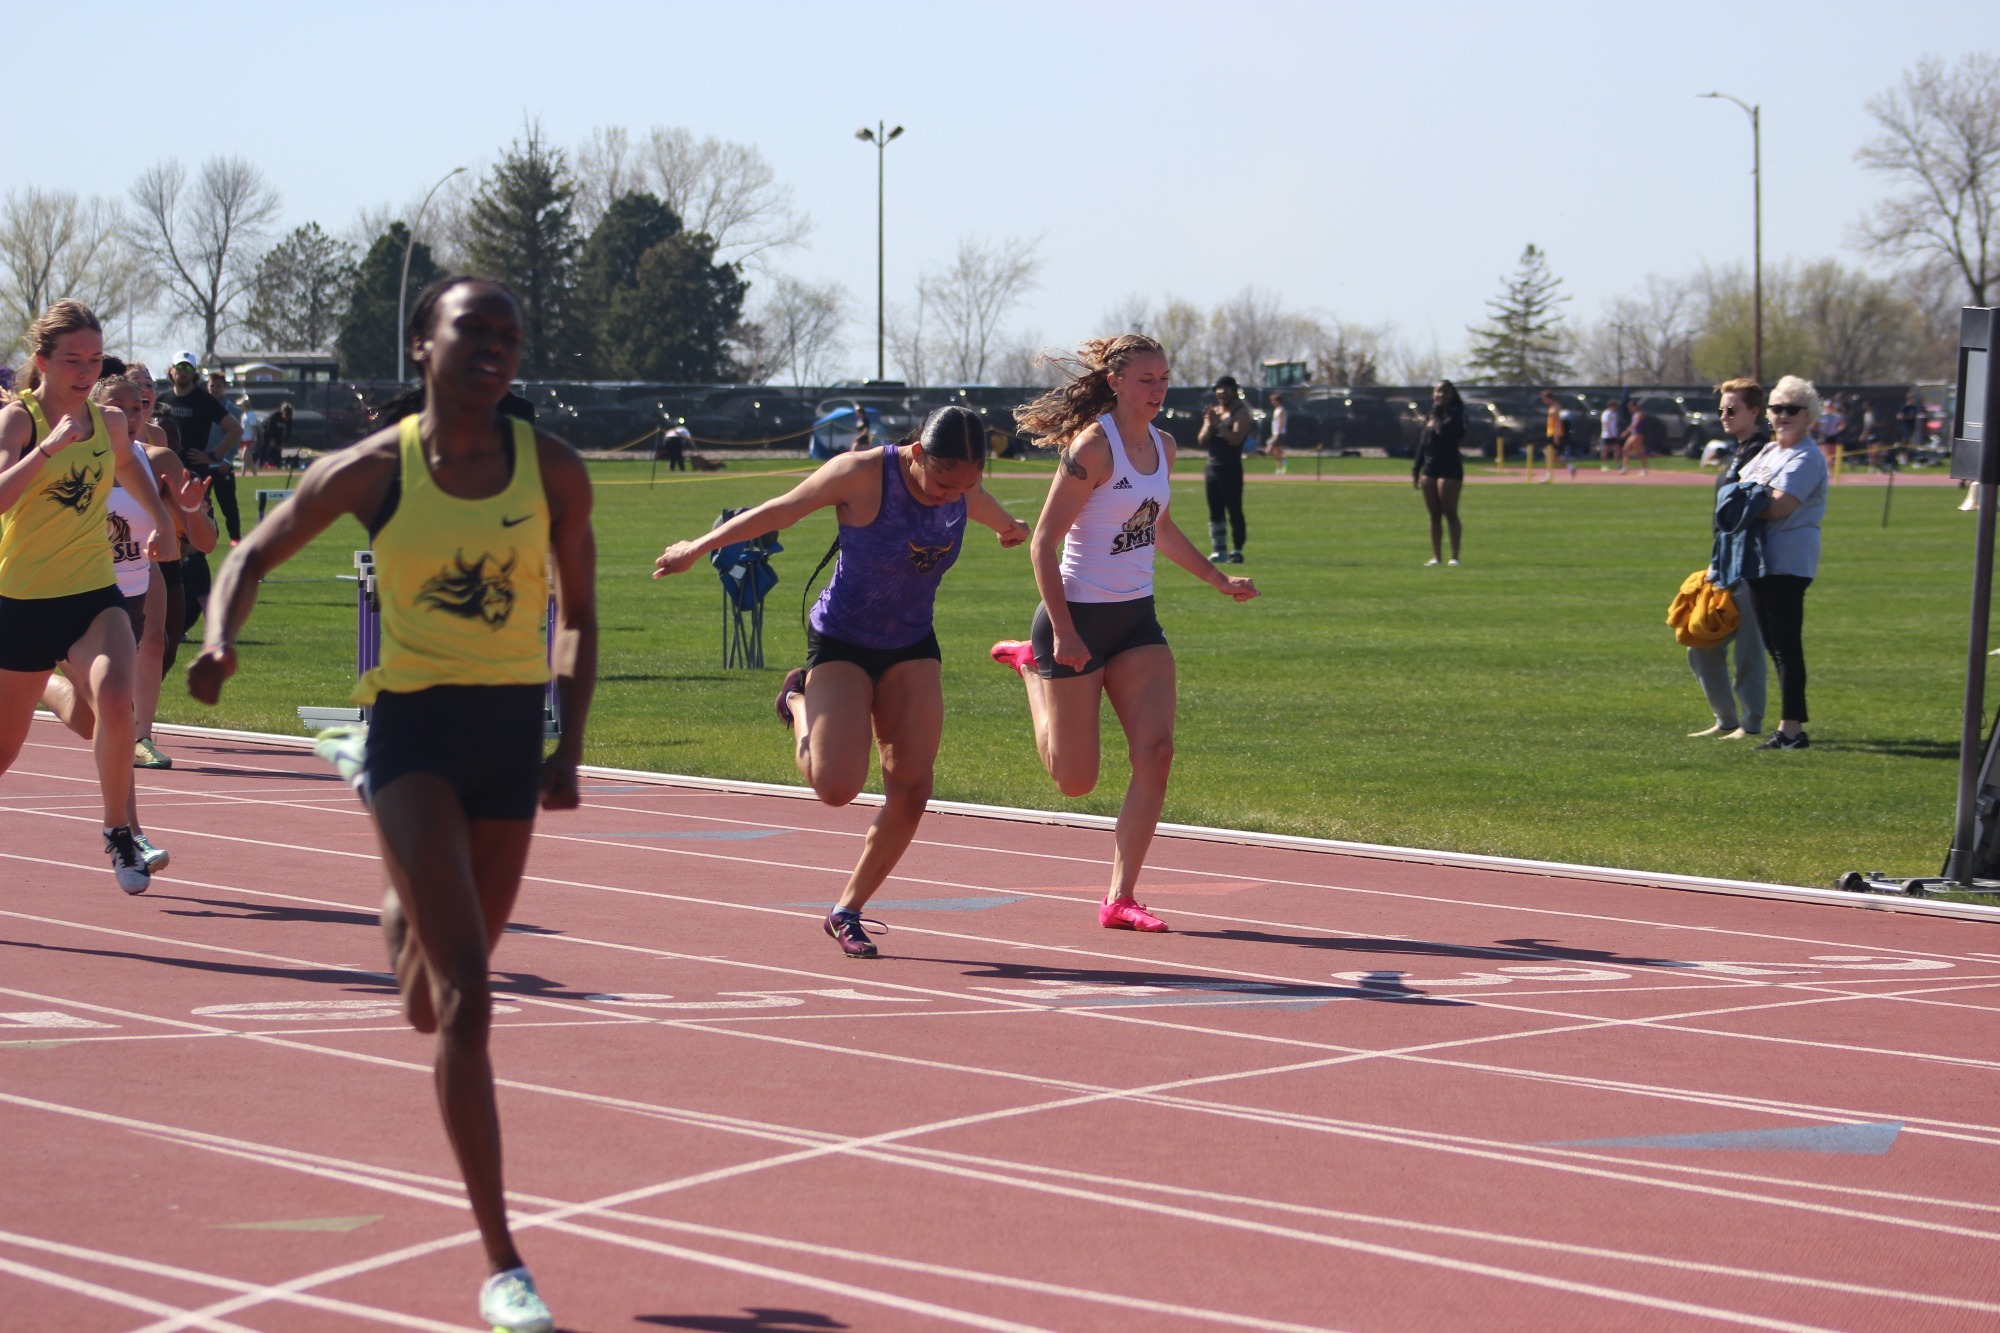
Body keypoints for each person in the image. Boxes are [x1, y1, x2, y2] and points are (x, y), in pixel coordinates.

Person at [188, 277, 597, 1333]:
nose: (496, 348)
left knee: (428, 998)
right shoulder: (373, 470)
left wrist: (569, 743)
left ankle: (394, 899)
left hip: (510, 741)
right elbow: (251, 548)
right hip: (412, 730)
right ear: (424, 343)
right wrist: (222, 636)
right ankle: (506, 1263)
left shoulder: (551, 468)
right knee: (469, 991)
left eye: (512, 334)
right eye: (475, 331)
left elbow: (579, 618)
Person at [652, 406, 1029, 958]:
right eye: (945, 482)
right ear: (919, 454)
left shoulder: (962, 489)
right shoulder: (860, 473)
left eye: (968, 485)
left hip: (911, 645)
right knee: (836, 787)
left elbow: (985, 507)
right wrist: (696, 548)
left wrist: (1009, 529)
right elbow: (781, 509)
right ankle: (797, 697)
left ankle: (847, 909)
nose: (954, 496)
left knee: (913, 787)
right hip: (843, 642)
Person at [989, 334, 1258, 934]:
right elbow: (1043, 544)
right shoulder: (1093, 447)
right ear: (1115, 382)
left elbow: (1156, 524)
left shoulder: (1164, 446)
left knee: (1156, 752)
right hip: (1076, 620)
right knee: (1075, 781)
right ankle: (1032, 668)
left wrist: (1217, 578)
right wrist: (1062, 633)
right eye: (1146, 379)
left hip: (1137, 621)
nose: (1158, 389)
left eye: (1164, 379)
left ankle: (1120, 896)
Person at [0, 300, 177, 893]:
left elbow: (130, 469)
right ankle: (49, 684)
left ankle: (118, 831)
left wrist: (160, 519)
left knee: (117, 699)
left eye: (94, 359)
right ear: (44, 362)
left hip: (91, 595)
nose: (83, 370)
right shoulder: (19, 421)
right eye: (72, 359)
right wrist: (47, 447)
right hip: (20, 602)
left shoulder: (110, 422)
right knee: (7, 750)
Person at [36, 375, 211, 868]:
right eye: (119, 408)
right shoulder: (74, 460)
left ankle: (42, 682)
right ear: (97, 413)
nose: (132, 418)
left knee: (97, 719)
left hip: (124, 602)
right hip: (70, 597)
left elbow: (201, 539)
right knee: (119, 719)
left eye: (139, 408)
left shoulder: (158, 463)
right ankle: (132, 835)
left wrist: (191, 511)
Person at [1736, 376, 1829, 750]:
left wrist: (1744, 503)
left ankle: (1792, 729)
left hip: (1788, 559)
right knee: (1773, 643)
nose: (1783, 415)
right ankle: (1789, 725)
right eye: (1777, 408)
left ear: (1809, 417)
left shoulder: (1807, 456)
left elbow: (1777, 507)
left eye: (1793, 409)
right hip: (1759, 558)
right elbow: (1739, 487)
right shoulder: (1770, 452)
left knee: (1786, 644)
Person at [1686, 378, 1769, 739]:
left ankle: (1749, 725)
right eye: (1721, 409)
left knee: (1749, 650)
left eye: (1731, 409)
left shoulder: (1764, 451)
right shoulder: (1737, 450)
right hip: (1724, 559)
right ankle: (1726, 719)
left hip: (1752, 563)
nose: (1724, 415)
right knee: (1701, 641)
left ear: (1754, 411)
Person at [1198, 374, 1253, 563]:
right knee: (1215, 512)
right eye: (1219, 391)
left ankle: (1237, 549)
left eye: (1226, 390)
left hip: (1231, 468)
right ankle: (1219, 549)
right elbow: (1202, 439)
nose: (1222, 394)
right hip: (1213, 468)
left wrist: (1218, 425)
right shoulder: (1215, 412)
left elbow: (1236, 439)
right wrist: (1209, 424)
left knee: (1234, 509)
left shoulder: (1241, 413)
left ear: (1234, 392)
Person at [1412, 379, 1466, 566]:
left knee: (1449, 511)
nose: (1440, 395)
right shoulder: (1431, 414)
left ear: (1451, 394)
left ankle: (1454, 556)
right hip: (1430, 467)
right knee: (1434, 514)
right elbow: (1423, 443)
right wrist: (1416, 469)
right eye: (1437, 391)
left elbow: (1443, 432)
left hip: (1450, 467)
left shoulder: (1456, 414)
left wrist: (1435, 418)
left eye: (1444, 392)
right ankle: (1436, 557)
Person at [204, 370, 243, 543]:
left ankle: (235, 538)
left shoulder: (232, 410)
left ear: (224, 387)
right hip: (203, 465)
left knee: (228, 505)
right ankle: (202, 538)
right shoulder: (201, 406)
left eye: (218, 386)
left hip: (222, 466)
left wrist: (228, 459)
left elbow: (235, 436)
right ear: (207, 386)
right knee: (201, 505)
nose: (215, 389)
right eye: (212, 385)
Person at [1538, 390, 1575, 481]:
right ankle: (1570, 467)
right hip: (1550, 432)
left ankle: (1548, 475)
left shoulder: (1555, 407)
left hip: (1555, 433)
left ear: (1549, 398)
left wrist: (1556, 436)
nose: (1543, 400)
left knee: (1548, 454)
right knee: (1551, 455)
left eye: (1544, 398)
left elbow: (1558, 422)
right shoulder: (1551, 407)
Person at [1620, 398, 1650, 476]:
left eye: (1630, 406)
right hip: (1633, 434)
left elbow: (1634, 425)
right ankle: (1625, 468)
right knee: (1625, 449)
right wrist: (1626, 432)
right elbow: (1632, 425)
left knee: (1639, 451)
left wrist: (1626, 432)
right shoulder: (1634, 415)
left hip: (1638, 434)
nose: (1629, 408)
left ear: (1635, 406)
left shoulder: (1639, 414)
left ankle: (1644, 469)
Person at [236, 394, 261, 476]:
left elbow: (254, 428)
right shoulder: (244, 415)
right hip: (244, 438)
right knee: (249, 460)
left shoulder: (251, 415)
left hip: (249, 439)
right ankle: (255, 474)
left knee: (244, 457)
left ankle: (243, 474)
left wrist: (253, 440)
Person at [1266, 391, 1289, 475]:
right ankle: (1281, 465)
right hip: (1275, 433)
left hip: (1279, 434)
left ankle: (1280, 467)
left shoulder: (1282, 410)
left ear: (1278, 401)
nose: (1272, 402)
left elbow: (1281, 423)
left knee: (1270, 451)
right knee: (1275, 452)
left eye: (1273, 400)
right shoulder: (1276, 410)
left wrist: (1277, 434)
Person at [1599, 397, 1621, 471]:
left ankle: (1618, 464)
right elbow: (1605, 424)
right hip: (1606, 435)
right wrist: (1609, 432)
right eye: (1615, 406)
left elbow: (1615, 424)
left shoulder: (1614, 414)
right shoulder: (1606, 414)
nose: (1616, 408)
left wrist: (1616, 432)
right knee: (1605, 450)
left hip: (1614, 435)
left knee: (1616, 449)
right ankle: (1604, 465)